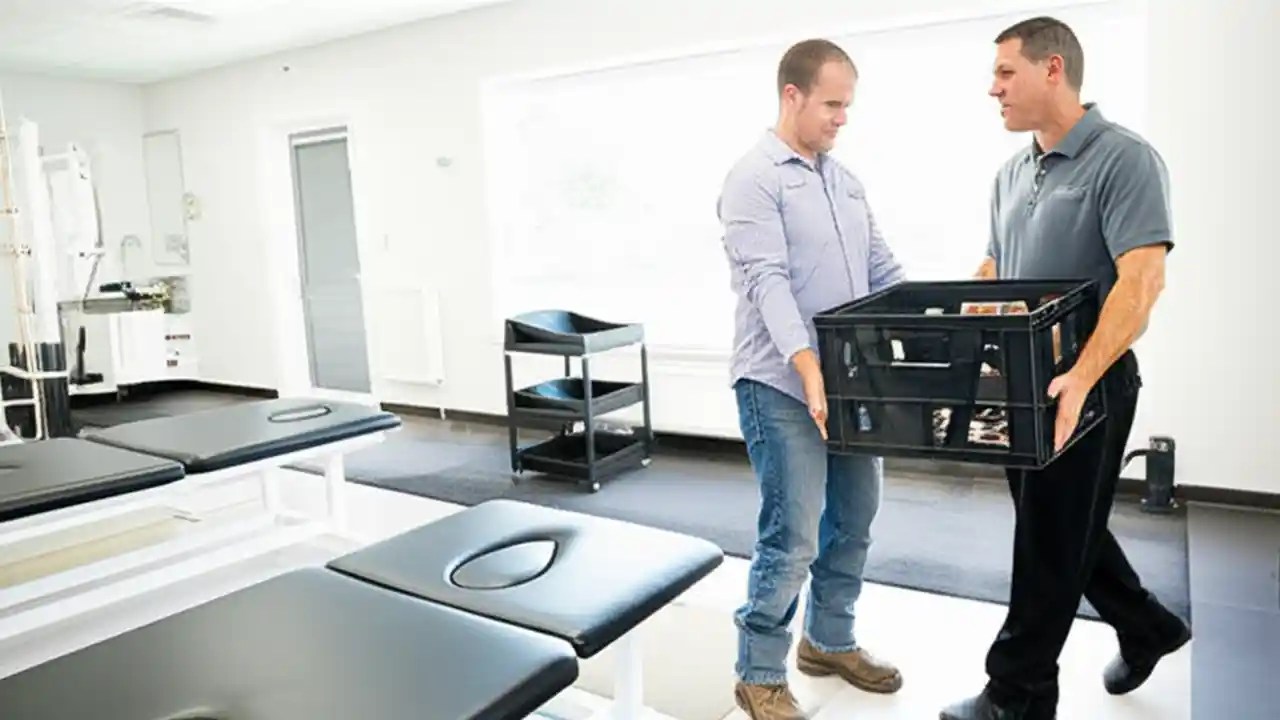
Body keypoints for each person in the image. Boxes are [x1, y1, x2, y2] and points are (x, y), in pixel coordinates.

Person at [940, 16, 1192, 720]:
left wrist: (1079, 381)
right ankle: (1148, 625)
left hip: (1090, 384)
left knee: (1050, 537)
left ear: (1053, 69)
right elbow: (998, 268)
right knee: (1064, 526)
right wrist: (963, 322)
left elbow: (1141, 284)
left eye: (1004, 73)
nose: (993, 89)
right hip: (1021, 385)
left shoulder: (1124, 160)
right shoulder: (1011, 172)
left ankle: (1017, 694)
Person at [717, 38, 906, 720]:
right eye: (832, 103)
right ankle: (758, 672)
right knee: (791, 536)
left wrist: (942, 316)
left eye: (847, 105)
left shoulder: (843, 179)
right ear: (791, 95)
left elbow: (882, 271)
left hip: (850, 385)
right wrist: (808, 368)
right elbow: (767, 285)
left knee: (854, 519)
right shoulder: (753, 178)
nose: (841, 118)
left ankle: (828, 640)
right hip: (780, 386)